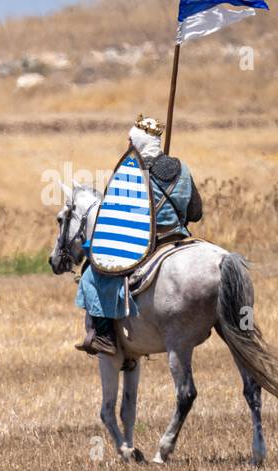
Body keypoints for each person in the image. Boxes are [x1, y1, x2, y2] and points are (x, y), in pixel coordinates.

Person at [76, 114, 204, 357]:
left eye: (130, 142)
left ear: (138, 144)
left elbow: (115, 217)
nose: (128, 146)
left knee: (94, 273)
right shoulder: (181, 168)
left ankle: (103, 336)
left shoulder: (132, 173)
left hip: (149, 244)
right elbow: (195, 213)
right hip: (179, 238)